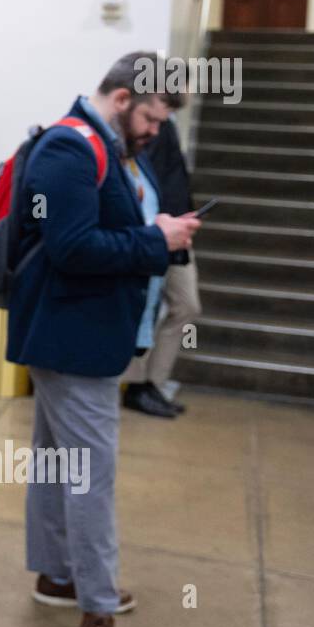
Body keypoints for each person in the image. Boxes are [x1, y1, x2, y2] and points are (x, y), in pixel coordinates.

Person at [6, 52, 200, 627]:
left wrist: (154, 233)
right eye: (153, 116)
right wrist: (155, 240)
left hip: (74, 336)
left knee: (55, 463)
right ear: (122, 99)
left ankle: (58, 577)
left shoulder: (103, 147)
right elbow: (73, 248)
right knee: (91, 475)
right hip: (75, 340)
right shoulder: (73, 147)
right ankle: (96, 607)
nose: (156, 129)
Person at [123, 91, 201, 417]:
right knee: (145, 306)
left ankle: (151, 383)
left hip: (176, 232)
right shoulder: (139, 130)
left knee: (187, 306)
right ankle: (136, 384)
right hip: (154, 233)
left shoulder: (163, 125)